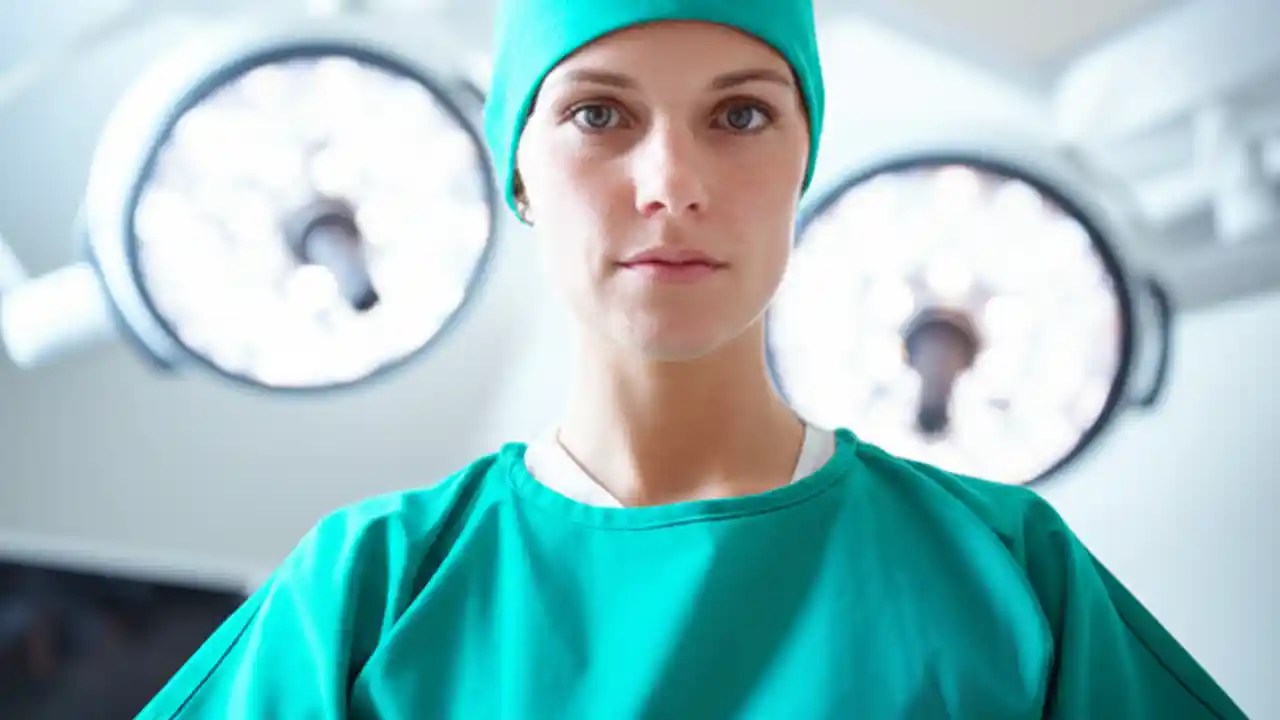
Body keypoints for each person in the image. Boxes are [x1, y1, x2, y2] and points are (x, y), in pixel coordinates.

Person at [136, 0, 1247, 717]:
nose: (670, 182)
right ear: (516, 172)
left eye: (740, 117)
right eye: (598, 115)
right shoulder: (372, 591)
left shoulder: (1003, 573)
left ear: (803, 163)